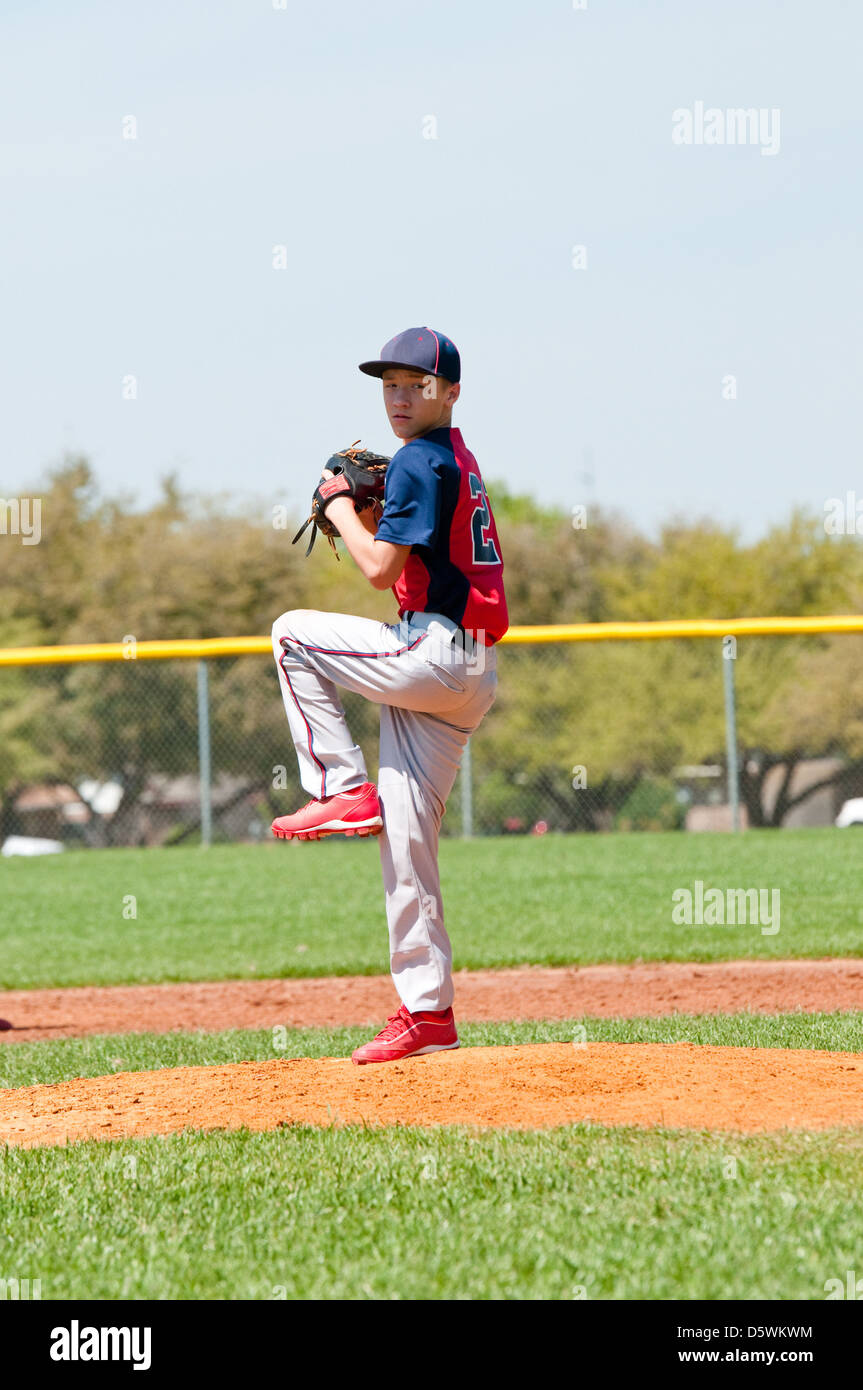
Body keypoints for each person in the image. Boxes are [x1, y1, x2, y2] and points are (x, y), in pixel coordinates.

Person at [270, 326, 508, 1064]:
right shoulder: (454, 459)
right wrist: (375, 512)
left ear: (450, 390)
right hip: (468, 670)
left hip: (432, 653)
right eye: (390, 385)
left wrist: (341, 505)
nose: (400, 398)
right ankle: (426, 1012)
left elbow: (376, 570)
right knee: (407, 843)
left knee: (289, 634)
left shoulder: (414, 460)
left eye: (417, 384)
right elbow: (410, 559)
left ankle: (341, 785)